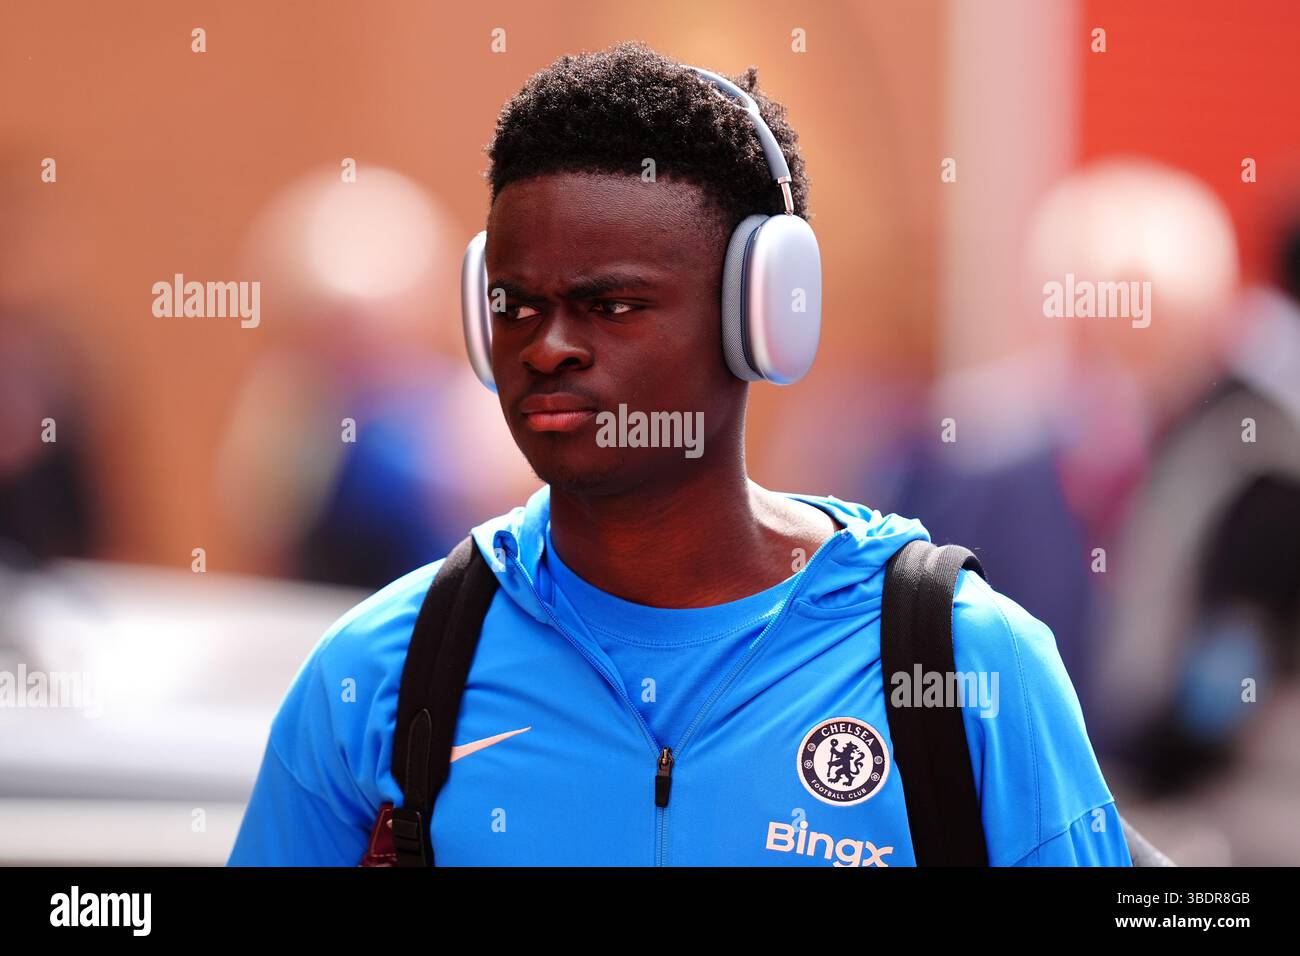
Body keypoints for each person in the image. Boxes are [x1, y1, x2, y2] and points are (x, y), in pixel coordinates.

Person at [228, 42, 1130, 867]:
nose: (548, 347)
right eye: (514, 305)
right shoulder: (386, 671)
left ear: (761, 319)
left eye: (612, 305)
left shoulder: (956, 660)